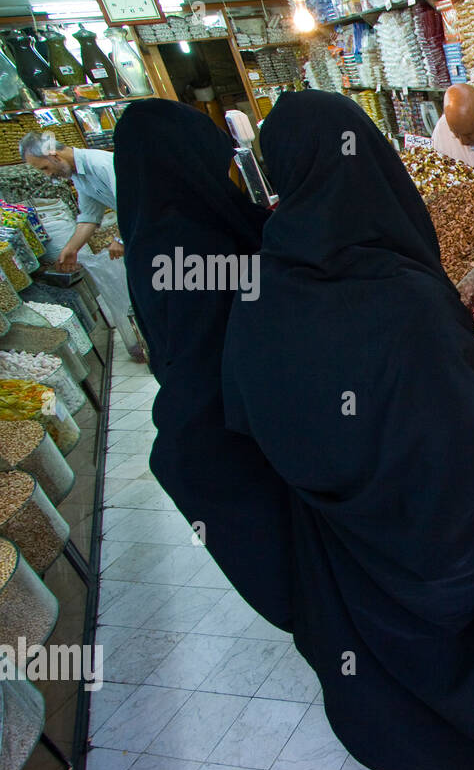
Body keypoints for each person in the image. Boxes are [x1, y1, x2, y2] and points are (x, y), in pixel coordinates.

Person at [222, 89, 474, 770]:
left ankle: (401, 733)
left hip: (349, 546)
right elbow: (456, 447)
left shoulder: (262, 288)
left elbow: (256, 416)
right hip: (437, 546)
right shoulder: (401, 292)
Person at [112, 99, 295, 632]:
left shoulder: (154, 229)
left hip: (236, 425)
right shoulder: (187, 243)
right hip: (241, 435)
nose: (224, 180)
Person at [18, 131, 124, 267]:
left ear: (54, 156)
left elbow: (136, 204)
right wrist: (71, 249)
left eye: (45, 168)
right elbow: (89, 216)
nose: (48, 174)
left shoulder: (101, 164)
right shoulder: (78, 177)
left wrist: (121, 239)